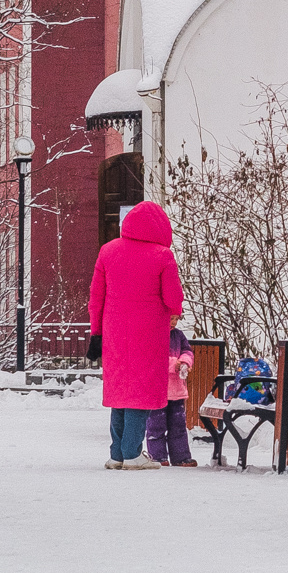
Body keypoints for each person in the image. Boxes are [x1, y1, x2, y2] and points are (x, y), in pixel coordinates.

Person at [86, 201, 183, 470]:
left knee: (120, 392)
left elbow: (96, 297)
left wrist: (97, 332)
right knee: (141, 391)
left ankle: (116, 454)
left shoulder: (108, 251)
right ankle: (132, 453)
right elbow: (172, 296)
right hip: (149, 332)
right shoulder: (162, 255)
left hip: (115, 332)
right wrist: (175, 311)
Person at [144, 324, 197, 467]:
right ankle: (157, 456)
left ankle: (180, 456)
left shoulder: (178, 335)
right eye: (171, 318)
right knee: (156, 426)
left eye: (176, 319)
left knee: (178, 425)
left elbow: (187, 350)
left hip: (177, 390)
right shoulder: (152, 333)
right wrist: (174, 364)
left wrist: (185, 361)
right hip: (156, 390)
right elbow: (152, 357)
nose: (173, 322)